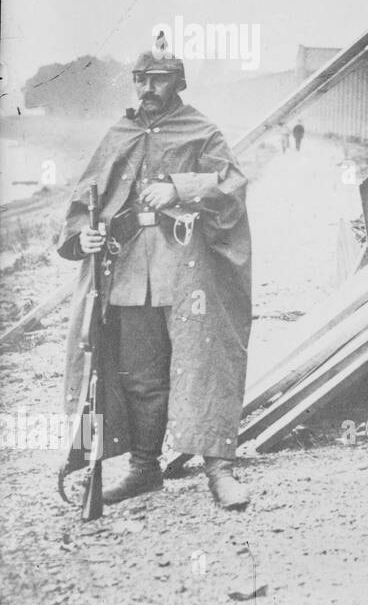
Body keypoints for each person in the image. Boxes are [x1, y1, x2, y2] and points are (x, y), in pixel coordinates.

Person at [57, 47, 253, 511]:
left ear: (177, 83)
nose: (148, 88)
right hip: (128, 271)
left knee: (203, 365)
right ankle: (145, 469)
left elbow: (232, 185)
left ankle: (219, 471)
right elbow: (83, 200)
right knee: (141, 376)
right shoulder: (118, 134)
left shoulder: (201, 131)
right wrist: (82, 235)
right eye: (141, 79)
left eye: (159, 79)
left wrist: (179, 188)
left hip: (188, 268)